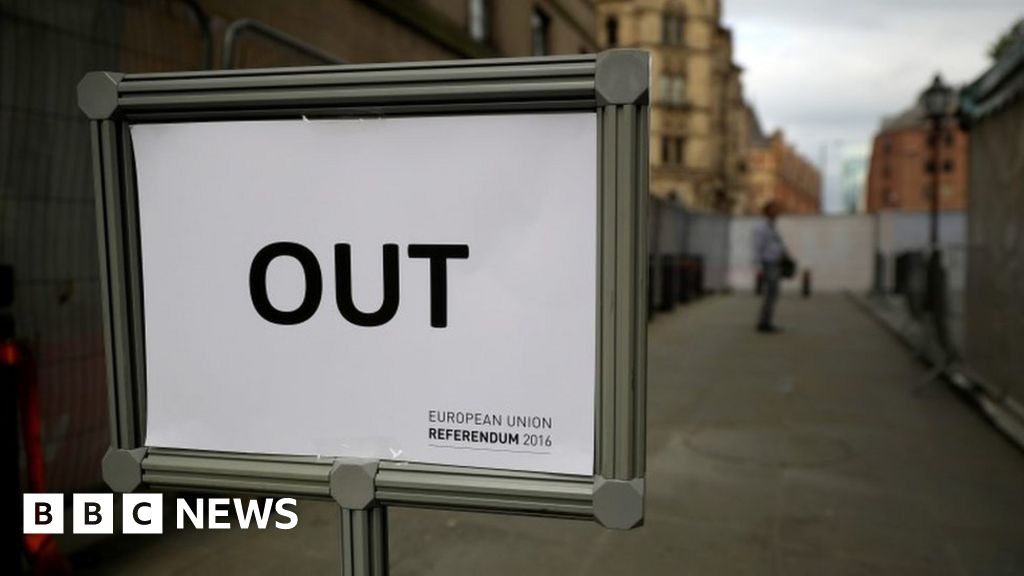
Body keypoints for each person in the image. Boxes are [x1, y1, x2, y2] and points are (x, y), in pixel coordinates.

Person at [752, 200, 787, 333]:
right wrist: (759, 267)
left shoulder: (772, 226)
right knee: (770, 294)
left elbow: (774, 245)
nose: (777, 212)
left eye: (778, 209)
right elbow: (757, 248)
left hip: (774, 263)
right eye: (774, 209)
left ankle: (766, 321)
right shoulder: (762, 227)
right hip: (768, 264)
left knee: (773, 294)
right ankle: (763, 323)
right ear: (767, 211)